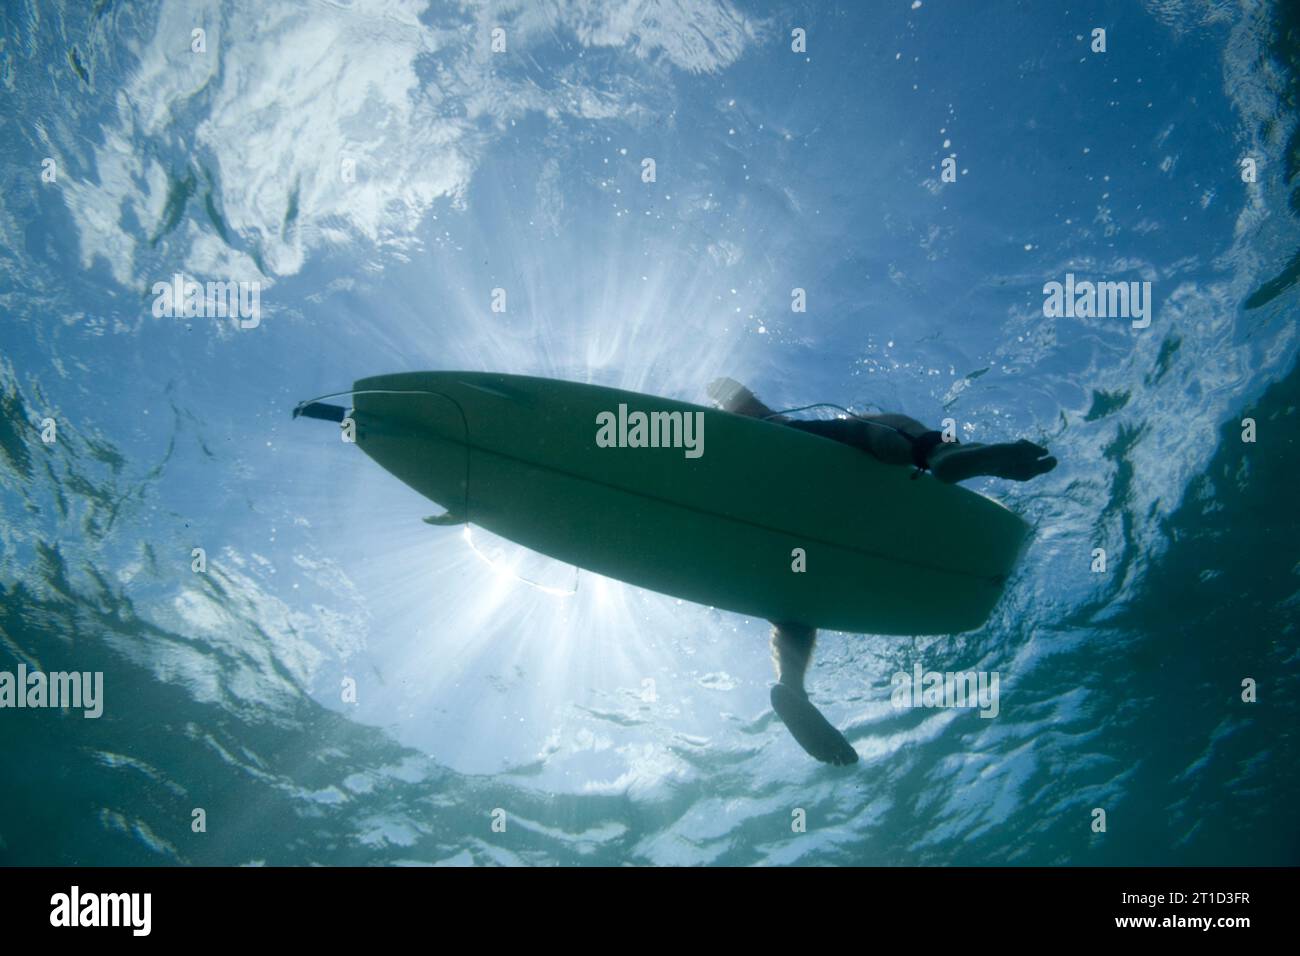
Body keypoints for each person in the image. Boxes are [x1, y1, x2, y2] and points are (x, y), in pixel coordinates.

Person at [707, 378, 1057, 765]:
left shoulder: (753, 434)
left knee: (795, 602)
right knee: (880, 425)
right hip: (805, 474)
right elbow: (732, 395)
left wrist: (717, 400)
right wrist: (724, 392)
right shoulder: (782, 427)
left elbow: (728, 397)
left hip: (777, 522)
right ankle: (938, 451)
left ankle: (791, 685)